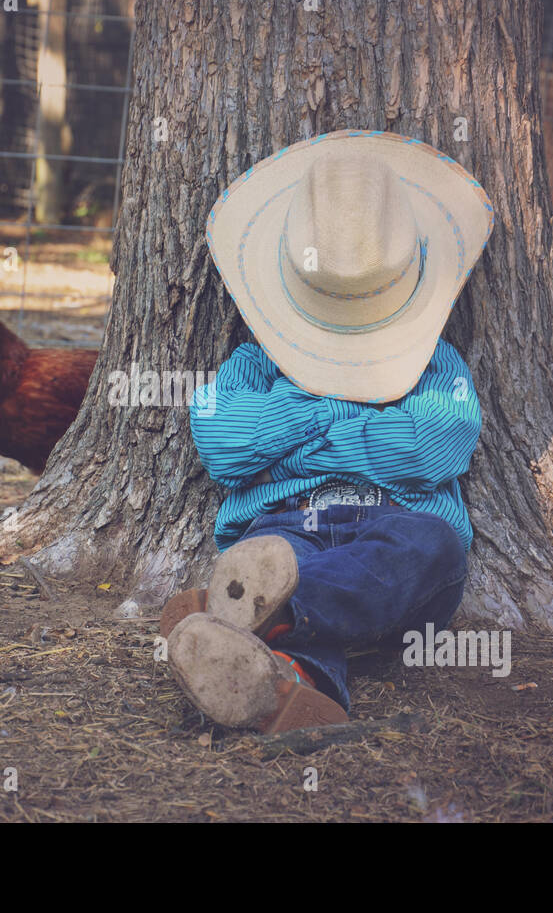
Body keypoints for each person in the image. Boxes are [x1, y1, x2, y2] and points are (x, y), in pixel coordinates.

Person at [162, 129, 495, 733]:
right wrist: (355, 414)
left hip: (401, 524)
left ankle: (248, 613)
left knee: (431, 550)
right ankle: (288, 682)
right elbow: (223, 441)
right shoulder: (255, 361)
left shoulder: (435, 361)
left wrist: (296, 429)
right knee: (287, 568)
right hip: (286, 526)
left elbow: (431, 448)